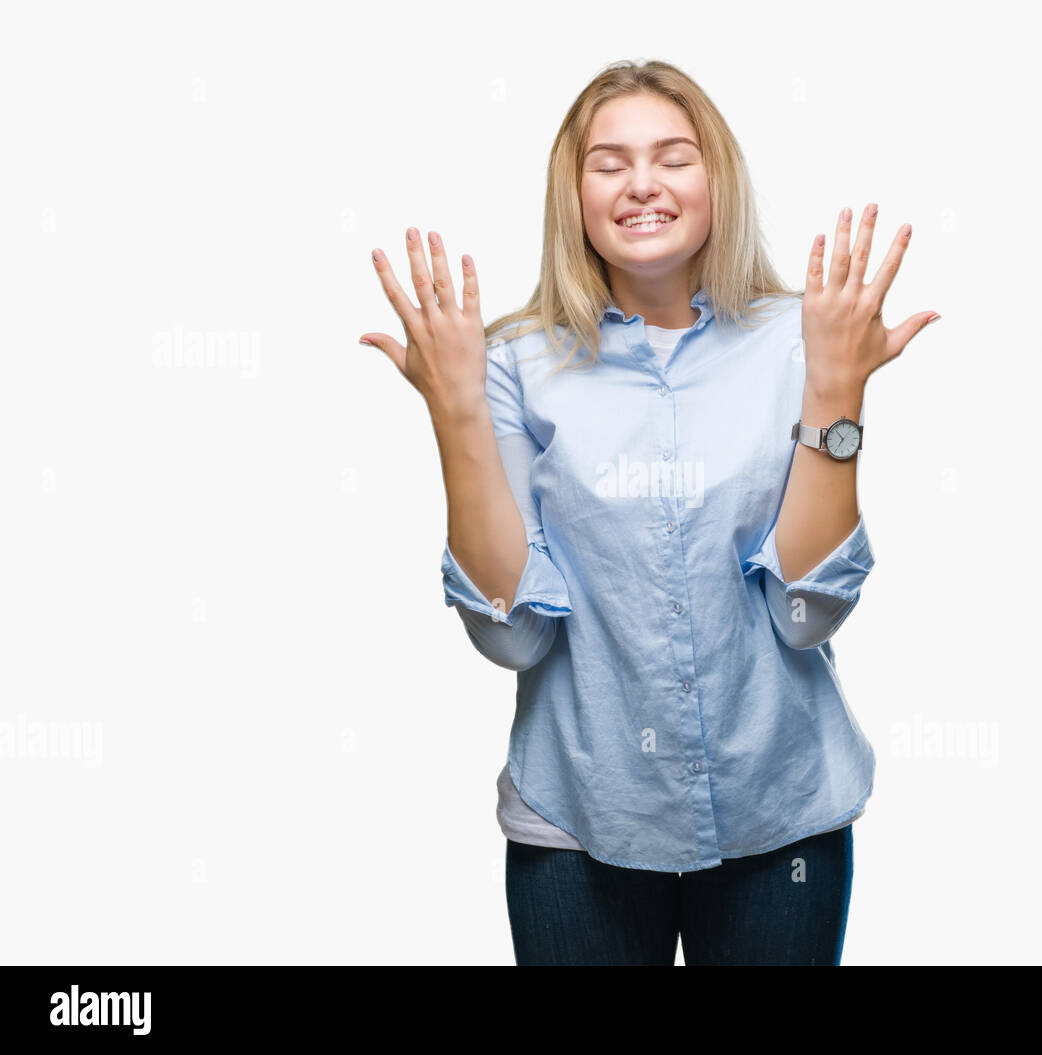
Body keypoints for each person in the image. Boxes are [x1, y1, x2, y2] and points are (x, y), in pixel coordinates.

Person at [359, 59, 938, 965]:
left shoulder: (805, 340)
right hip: (578, 820)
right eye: (608, 163)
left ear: (718, 180)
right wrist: (457, 409)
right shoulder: (512, 364)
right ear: (575, 194)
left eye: (673, 156)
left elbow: (806, 612)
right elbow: (513, 639)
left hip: (779, 815)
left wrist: (837, 387)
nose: (641, 184)